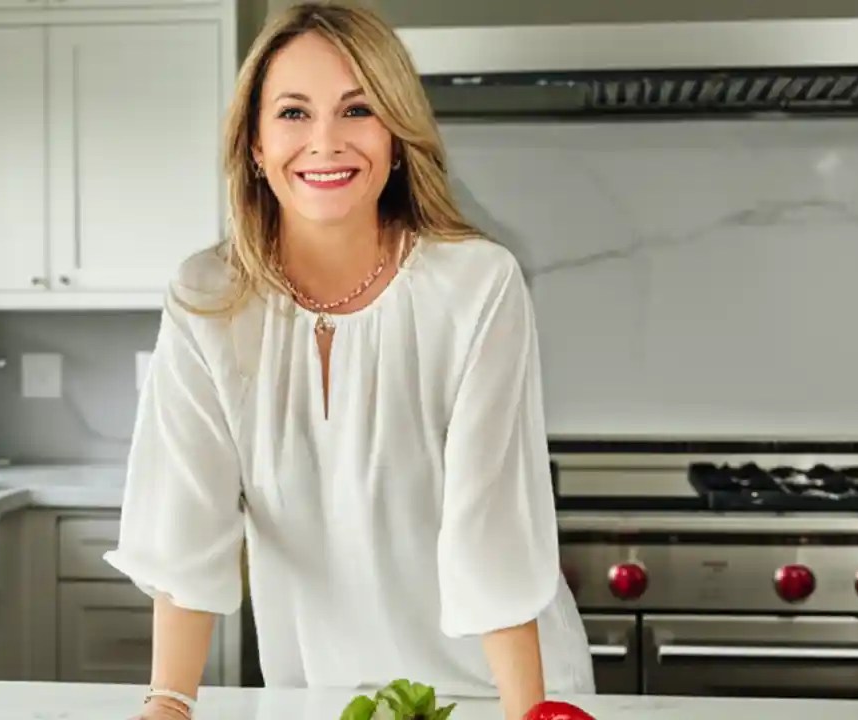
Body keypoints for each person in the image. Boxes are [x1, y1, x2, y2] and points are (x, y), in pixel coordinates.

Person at [103, 2, 595, 718]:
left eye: (358, 109)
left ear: (397, 136)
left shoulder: (476, 284)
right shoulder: (207, 298)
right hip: (323, 696)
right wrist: (168, 703)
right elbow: (187, 519)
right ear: (255, 145)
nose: (325, 143)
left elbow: (490, 526)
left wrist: (527, 715)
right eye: (295, 114)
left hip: (498, 689)